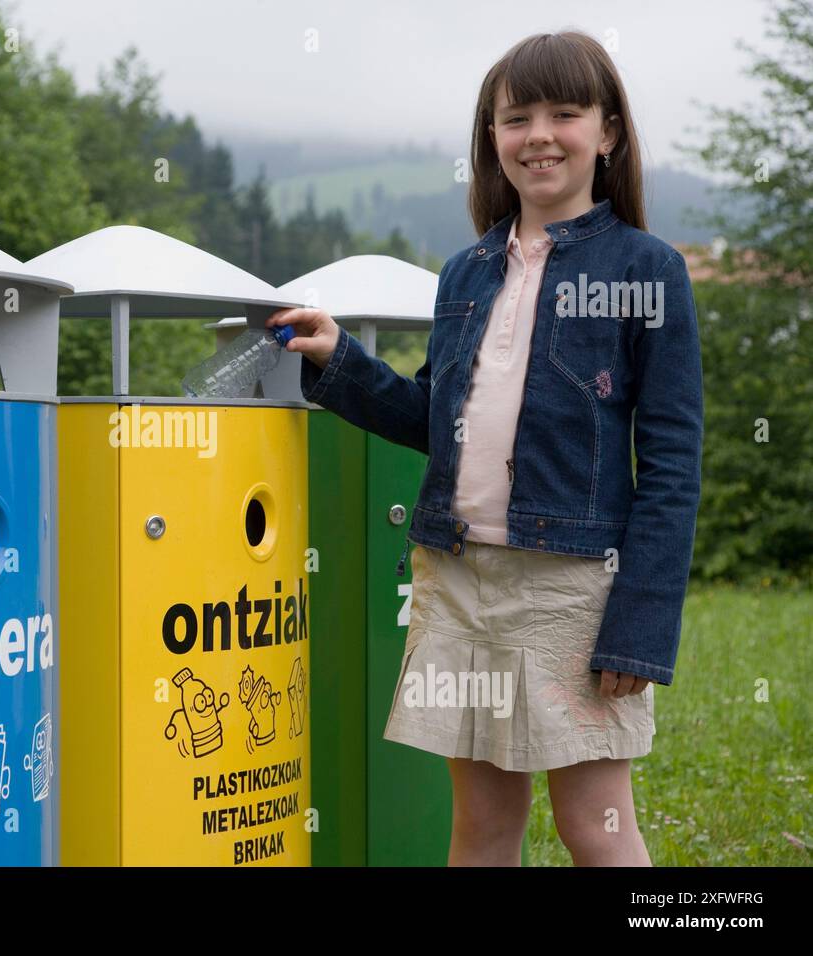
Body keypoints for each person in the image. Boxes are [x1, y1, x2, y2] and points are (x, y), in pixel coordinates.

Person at [267, 31, 704, 866]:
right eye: (516, 118)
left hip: (574, 589)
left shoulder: (649, 270)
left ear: (607, 133)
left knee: (594, 826)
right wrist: (340, 360)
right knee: (480, 828)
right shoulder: (465, 272)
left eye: (565, 114)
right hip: (458, 582)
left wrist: (640, 627)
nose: (539, 134)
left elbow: (674, 466)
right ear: (492, 139)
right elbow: (434, 418)